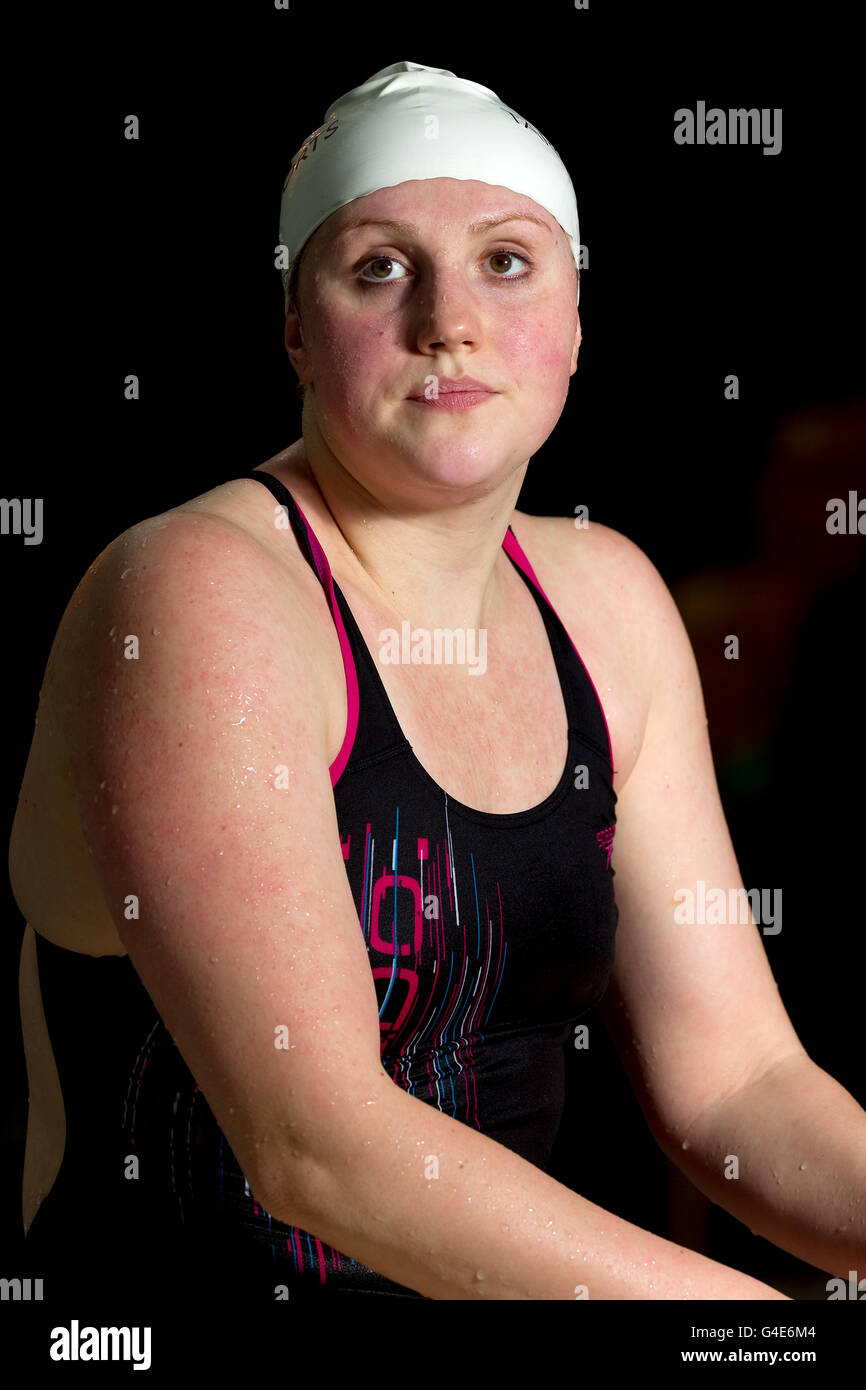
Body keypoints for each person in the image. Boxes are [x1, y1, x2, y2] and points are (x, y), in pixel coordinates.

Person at [11, 62, 864, 1305]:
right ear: (296, 325)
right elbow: (318, 1148)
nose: (447, 321)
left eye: (506, 262)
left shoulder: (607, 599)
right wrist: (749, 1331)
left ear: (576, 319)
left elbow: (737, 1084)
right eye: (378, 267)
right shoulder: (195, 591)